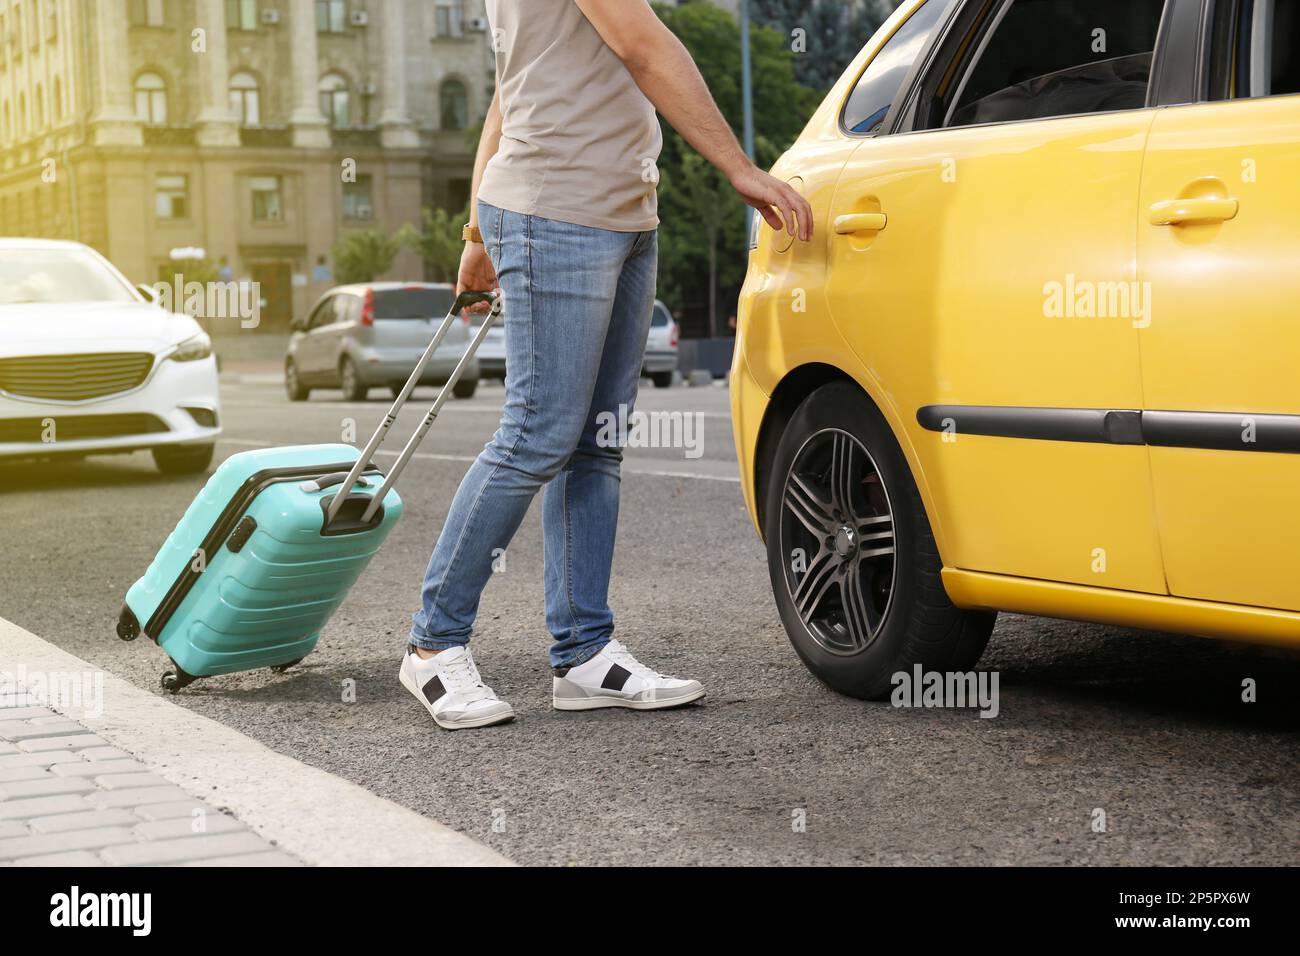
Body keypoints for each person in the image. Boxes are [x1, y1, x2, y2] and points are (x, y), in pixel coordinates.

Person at [399, 0, 813, 730]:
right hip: (556, 214)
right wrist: (738, 168)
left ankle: (583, 653)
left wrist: (474, 228)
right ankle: (434, 644)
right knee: (536, 436)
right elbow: (644, 46)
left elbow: (512, 87)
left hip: (622, 216)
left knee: (596, 442)